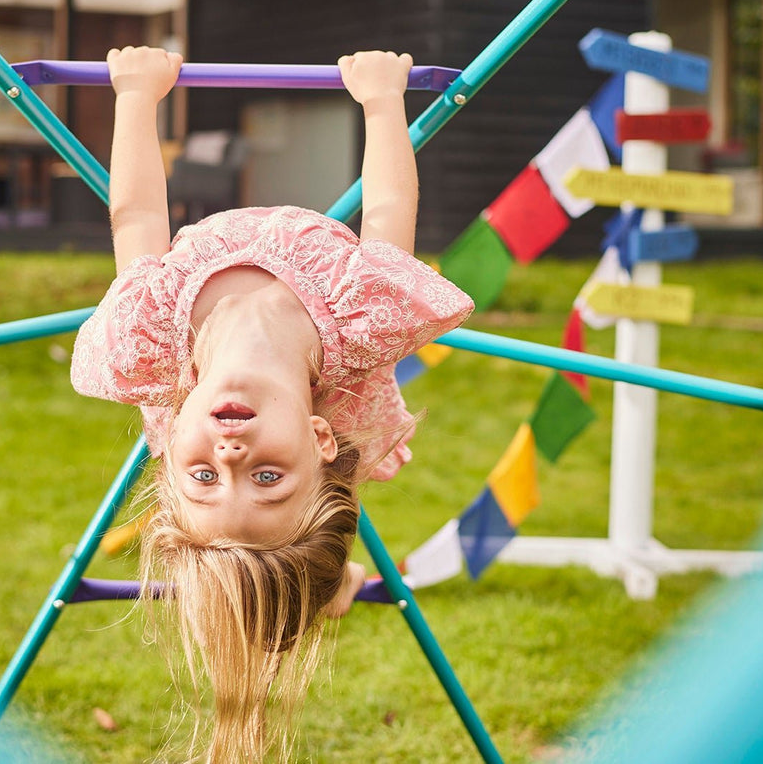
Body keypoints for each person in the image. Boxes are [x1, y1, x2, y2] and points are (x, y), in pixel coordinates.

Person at [70, 46, 473, 762]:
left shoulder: (152, 332)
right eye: (266, 478)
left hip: (204, 333)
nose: (228, 457)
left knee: (283, 545)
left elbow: (133, 212)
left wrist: (135, 95)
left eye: (202, 479)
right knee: (305, 535)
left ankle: (323, 579)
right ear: (319, 437)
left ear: (173, 459)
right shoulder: (364, 319)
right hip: (324, 342)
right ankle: (327, 580)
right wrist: (382, 100)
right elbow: (388, 207)